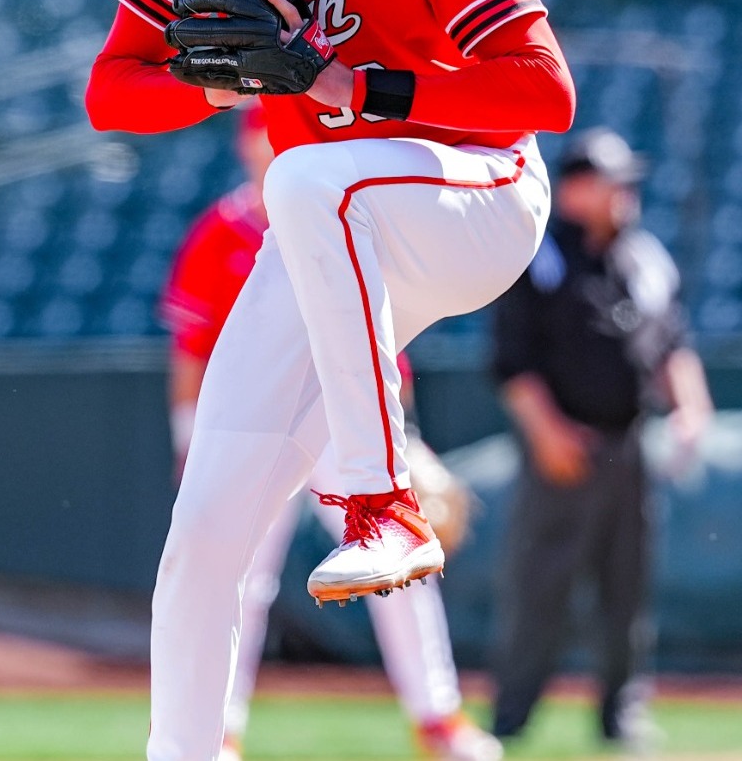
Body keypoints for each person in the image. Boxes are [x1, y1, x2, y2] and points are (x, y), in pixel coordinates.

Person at [83, 0, 576, 757]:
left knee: (306, 174)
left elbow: (542, 91)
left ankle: (378, 496)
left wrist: (357, 83)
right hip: (333, 230)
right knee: (203, 535)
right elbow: (111, 92)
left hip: (476, 196)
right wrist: (222, 82)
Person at [160, 106, 500, 761]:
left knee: (400, 559)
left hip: (345, 417)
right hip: (258, 422)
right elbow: (190, 349)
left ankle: (439, 721)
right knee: (237, 574)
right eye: (261, 135)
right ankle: (215, 732)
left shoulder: (348, 211)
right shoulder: (222, 231)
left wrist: (406, 433)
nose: (271, 145)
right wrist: (187, 437)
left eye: (279, 132)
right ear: (247, 146)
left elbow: (385, 330)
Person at [487, 128, 713, 751]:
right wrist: (548, 434)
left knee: (627, 588)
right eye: (614, 181)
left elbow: (672, 344)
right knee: (541, 586)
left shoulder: (646, 258)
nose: (626, 193)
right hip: (563, 448)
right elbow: (514, 363)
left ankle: (622, 713)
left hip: (630, 444)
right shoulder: (540, 257)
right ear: (578, 188)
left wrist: (691, 409)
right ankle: (511, 717)